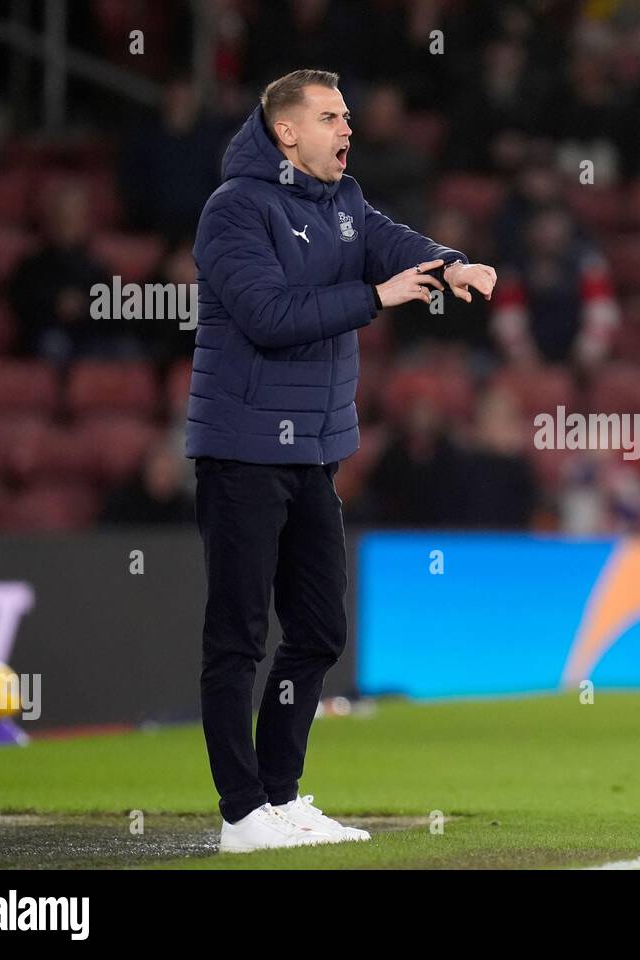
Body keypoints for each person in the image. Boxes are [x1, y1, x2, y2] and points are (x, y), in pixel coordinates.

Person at [186, 69, 495, 853]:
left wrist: (448, 264)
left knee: (320, 630)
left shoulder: (345, 202)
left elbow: (399, 244)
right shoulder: (235, 210)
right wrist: (379, 297)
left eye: (348, 116)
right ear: (286, 132)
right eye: (329, 117)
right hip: (243, 453)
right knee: (237, 637)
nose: (346, 129)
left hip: (315, 453)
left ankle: (281, 796)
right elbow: (268, 316)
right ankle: (240, 812)